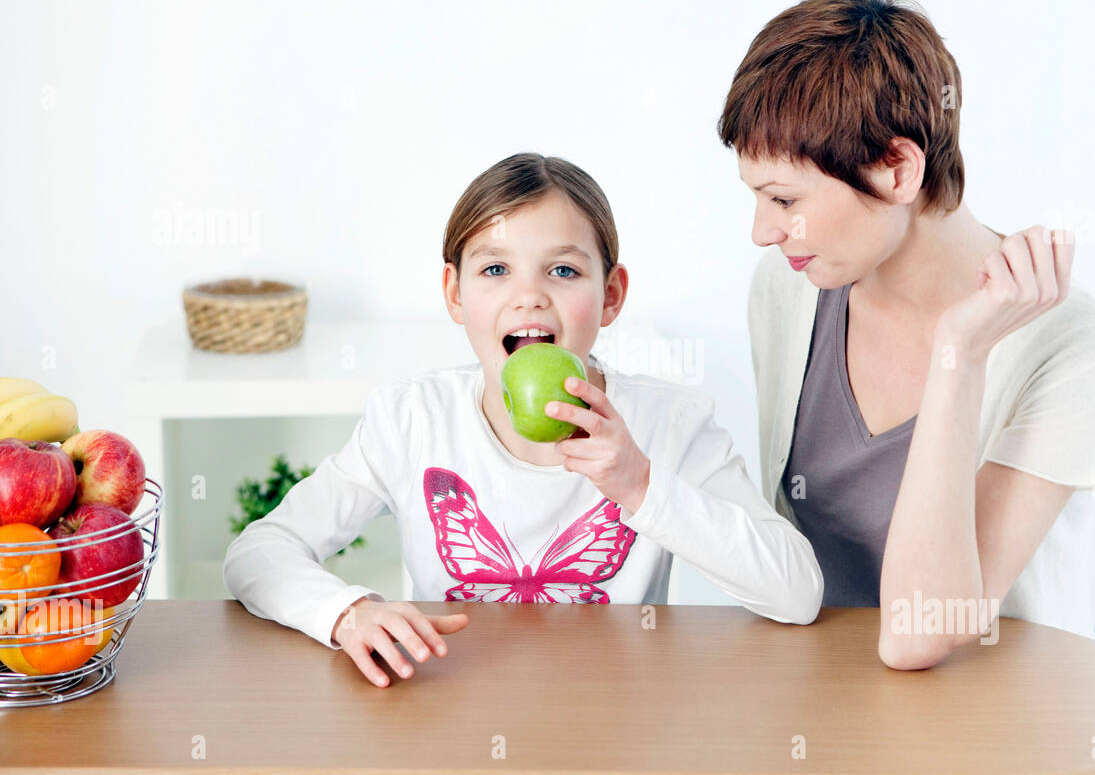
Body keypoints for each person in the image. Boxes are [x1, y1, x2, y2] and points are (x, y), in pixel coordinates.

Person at [222, 152, 823, 687]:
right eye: (495, 270)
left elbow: (796, 591)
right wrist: (347, 613)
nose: (529, 296)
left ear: (611, 295)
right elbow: (259, 553)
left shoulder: (670, 423)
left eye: (563, 271)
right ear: (455, 294)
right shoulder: (411, 421)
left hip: (615, 726)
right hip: (453, 711)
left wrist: (642, 486)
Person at [718, 0, 1095, 669]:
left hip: (993, 735)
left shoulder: (1076, 348)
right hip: (818, 712)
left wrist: (958, 355)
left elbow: (923, 631)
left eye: (785, 200)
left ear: (898, 169)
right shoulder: (791, 289)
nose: (764, 232)